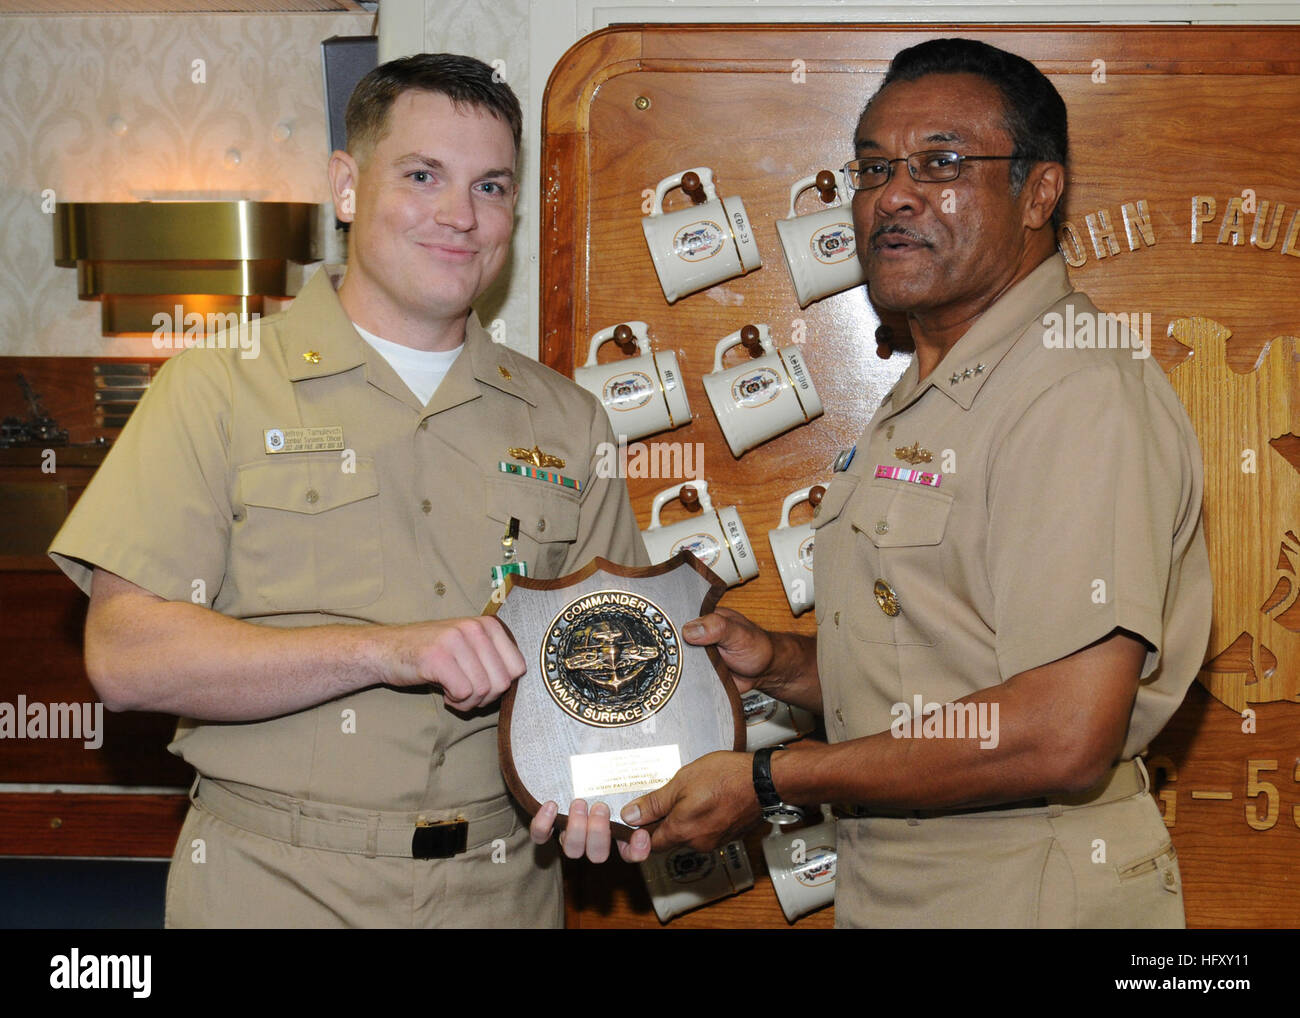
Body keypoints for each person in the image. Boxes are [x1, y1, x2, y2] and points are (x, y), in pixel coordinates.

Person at [618, 38, 1212, 928]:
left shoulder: (1075, 390)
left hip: (1027, 894)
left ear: (1039, 191)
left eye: (941, 163)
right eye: (871, 168)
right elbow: (950, 671)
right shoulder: (938, 390)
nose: (892, 194)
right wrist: (783, 665)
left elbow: (1062, 732)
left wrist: (774, 777)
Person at [49, 53, 649, 928]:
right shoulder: (217, 390)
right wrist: (387, 651)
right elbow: (126, 657)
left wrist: (619, 787)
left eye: (490, 187)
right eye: (421, 175)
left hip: (502, 891)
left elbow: (614, 672)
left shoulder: (570, 422)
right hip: (275, 886)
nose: (460, 215)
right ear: (346, 186)